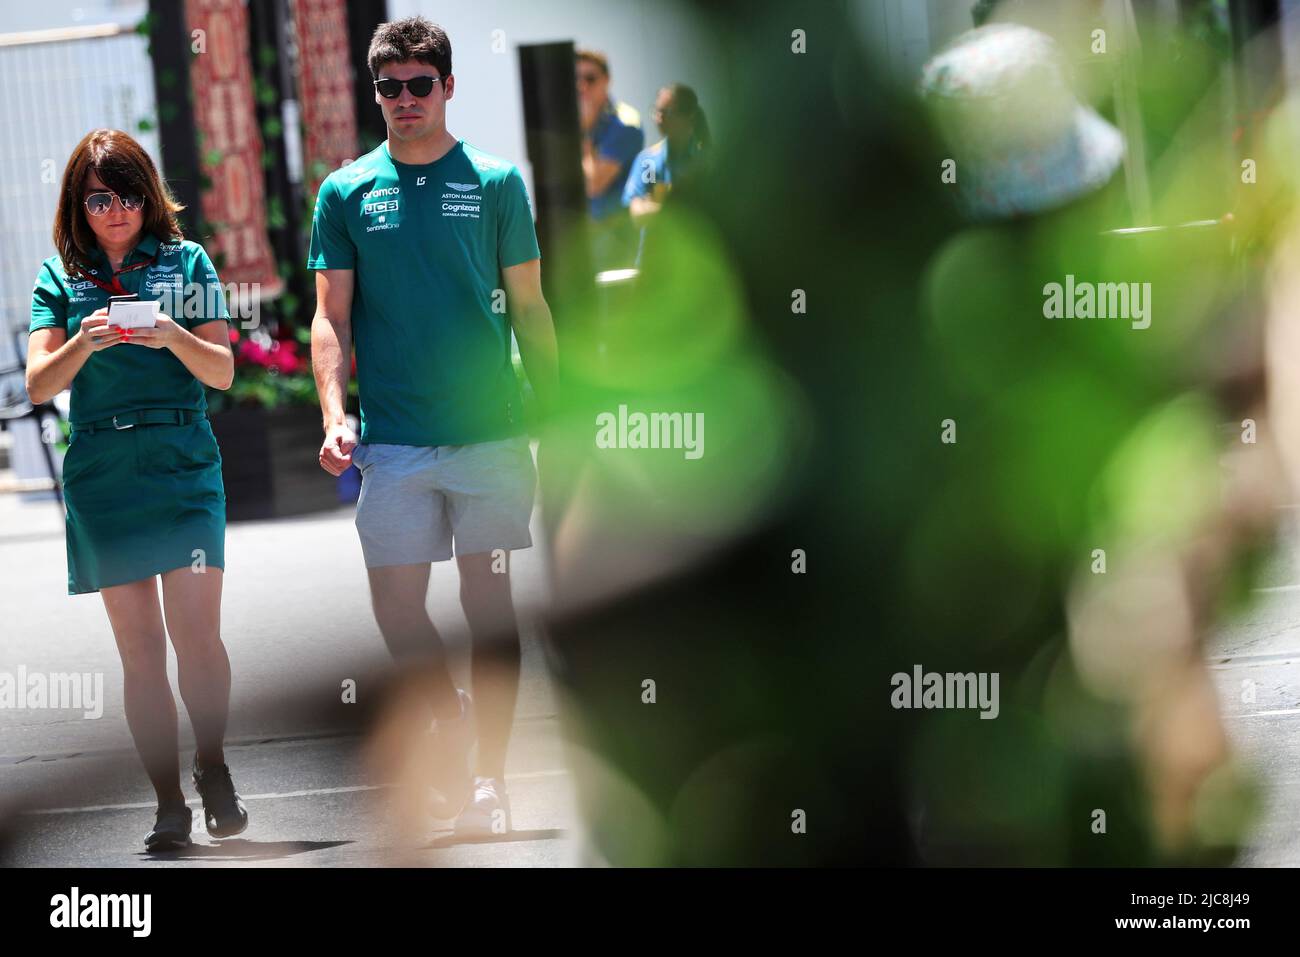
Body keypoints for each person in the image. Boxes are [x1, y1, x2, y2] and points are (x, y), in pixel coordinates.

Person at [308, 16, 558, 837]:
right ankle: (448, 716)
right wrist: (335, 413)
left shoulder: (495, 182)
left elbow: (529, 306)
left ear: (448, 85)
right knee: (397, 608)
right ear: (374, 92)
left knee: (489, 602)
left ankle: (489, 778)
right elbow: (329, 317)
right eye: (390, 87)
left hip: (489, 433)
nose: (406, 100)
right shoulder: (345, 192)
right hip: (395, 439)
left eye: (421, 84)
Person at [25, 128, 247, 852]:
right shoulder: (59, 276)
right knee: (141, 652)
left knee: (198, 638)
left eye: (126, 195)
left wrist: (170, 335)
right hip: (104, 471)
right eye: (99, 198)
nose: (115, 211)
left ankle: (211, 762)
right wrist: (83, 341)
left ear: (147, 197)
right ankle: (168, 804)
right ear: (79, 205)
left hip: (183, 461)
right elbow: (37, 382)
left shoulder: (187, 261)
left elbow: (222, 370)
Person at [622, 83, 710, 262]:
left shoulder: (705, 162)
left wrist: (655, 209)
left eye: (667, 112)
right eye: (656, 111)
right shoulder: (648, 162)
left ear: (689, 117)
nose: (659, 119)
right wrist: (685, 213)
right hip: (655, 265)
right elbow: (638, 215)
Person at [577, 49, 644, 270]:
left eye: (590, 78)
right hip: (585, 237)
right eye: (575, 79)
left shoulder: (625, 123)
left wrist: (583, 132)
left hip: (617, 238)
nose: (582, 86)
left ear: (606, 80)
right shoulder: (577, 120)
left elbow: (593, 184)